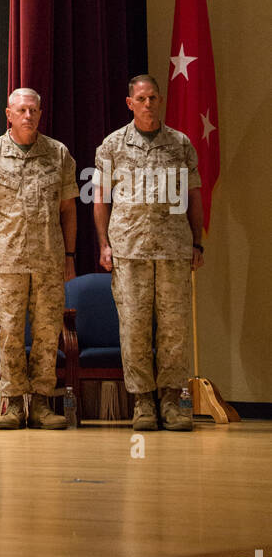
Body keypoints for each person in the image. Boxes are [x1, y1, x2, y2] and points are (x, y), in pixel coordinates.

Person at [93, 74, 203, 432]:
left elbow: (194, 196)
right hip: (130, 249)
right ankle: (143, 401)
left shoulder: (181, 144)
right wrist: (104, 244)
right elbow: (100, 199)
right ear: (130, 103)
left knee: (174, 328)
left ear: (161, 99)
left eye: (153, 97)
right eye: (141, 99)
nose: (149, 104)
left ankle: (171, 400)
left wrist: (196, 241)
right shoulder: (112, 146)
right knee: (135, 327)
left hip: (173, 248)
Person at [0, 88, 78, 430]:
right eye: (22, 110)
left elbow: (68, 209)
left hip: (48, 259)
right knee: (10, 333)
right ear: (9, 114)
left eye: (33, 110)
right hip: (8, 261)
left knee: (46, 334)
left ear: (40, 114)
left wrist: (70, 255)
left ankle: (42, 402)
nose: (28, 115)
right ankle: (13, 403)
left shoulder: (58, 154)